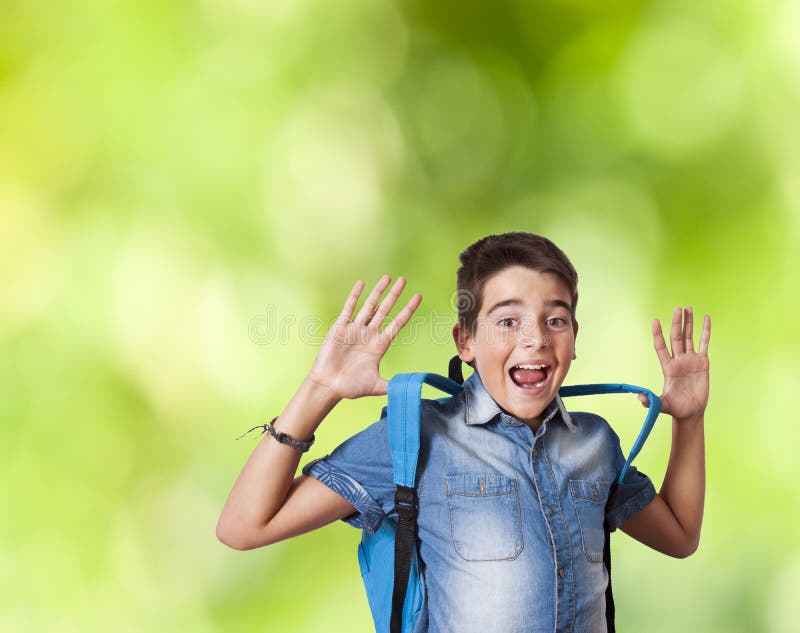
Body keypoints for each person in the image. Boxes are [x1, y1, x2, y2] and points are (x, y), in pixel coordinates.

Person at [216, 232, 710, 633]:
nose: (535, 337)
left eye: (555, 319)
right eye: (508, 320)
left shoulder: (595, 443)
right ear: (465, 341)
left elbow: (680, 536)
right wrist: (319, 389)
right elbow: (243, 527)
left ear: (574, 340)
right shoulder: (418, 436)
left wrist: (688, 419)